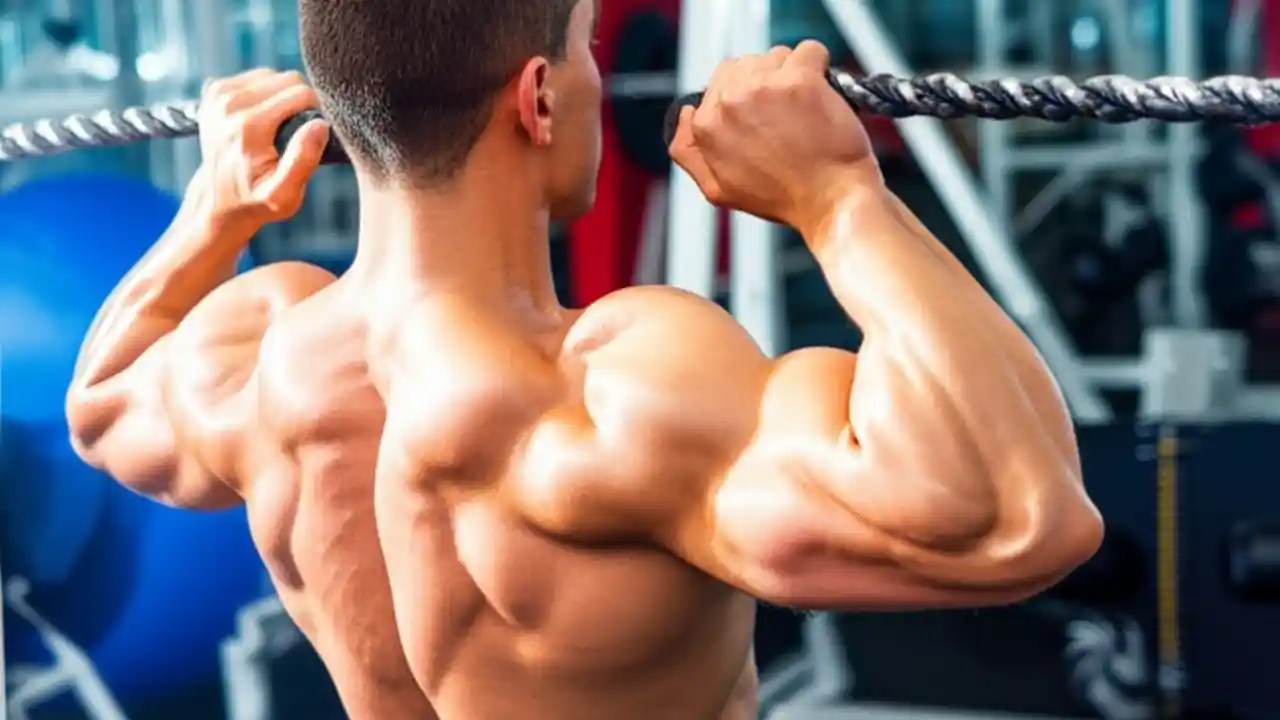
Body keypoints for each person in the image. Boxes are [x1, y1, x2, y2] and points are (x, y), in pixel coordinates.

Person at [65, 0, 1103, 717]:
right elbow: (1019, 514)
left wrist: (208, 217)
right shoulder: (610, 389)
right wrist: (837, 201)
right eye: (585, 48)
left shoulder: (260, 350)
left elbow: (101, 405)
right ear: (540, 97)